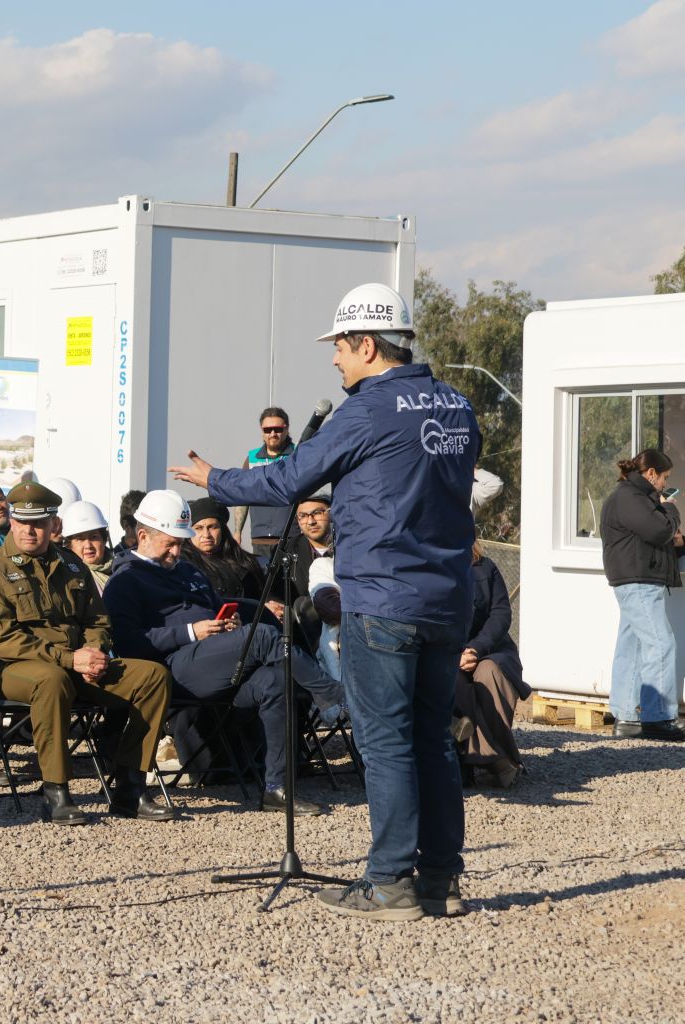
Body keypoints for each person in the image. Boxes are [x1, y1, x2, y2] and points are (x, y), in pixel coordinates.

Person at [171, 281, 481, 921]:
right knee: (432, 741)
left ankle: (390, 881)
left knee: (387, 742)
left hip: (385, 597)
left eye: (339, 346)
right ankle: (440, 881)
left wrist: (215, 480)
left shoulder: (367, 411)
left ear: (367, 343)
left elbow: (288, 478)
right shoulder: (456, 406)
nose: (335, 359)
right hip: (446, 599)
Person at [103, 490, 346, 816]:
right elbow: (129, 642)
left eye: (179, 542)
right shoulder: (125, 580)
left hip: (215, 659)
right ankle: (335, 695)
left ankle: (277, 788)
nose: (177, 551)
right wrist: (192, 631)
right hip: (173, 669)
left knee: (275, 681)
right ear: (143, 535)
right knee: (261, 635)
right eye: (170, 543)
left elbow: (215, 608)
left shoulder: (187, 571)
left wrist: (227, 620)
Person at [0, 482, 175, 826]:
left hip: (75, 664)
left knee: (152, 676)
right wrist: (70, 659)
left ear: (53, 525)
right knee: (52, 679)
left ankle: (130, 786)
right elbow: (3, 640)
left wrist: (93, 651)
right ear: (12, 523)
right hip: (9, 669)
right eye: (22, 522)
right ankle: (56, 792)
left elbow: (97, 619)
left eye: (39, 523)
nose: (30, 530)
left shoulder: (71, 565)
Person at [601, 449, 684, 742]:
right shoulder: (630, 498)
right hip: (638, 580)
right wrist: (671, 510)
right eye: (664, 478)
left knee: (633, 646)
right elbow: (660, 531)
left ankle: (626, 717)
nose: (664, 484)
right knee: (661, 645)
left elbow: (650, 537)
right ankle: (658, 717)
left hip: (635, 578)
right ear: (651, 474)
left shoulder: (631, 497)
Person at [454, 542, 528, 785]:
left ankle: (488, 760)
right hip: (448, 653)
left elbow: (501, 614)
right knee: (456, 684)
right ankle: (500, 761)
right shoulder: (432, 568)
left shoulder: (486, 567)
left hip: (491, 649)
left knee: (490, 673)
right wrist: (456, 654)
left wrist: (476, 649)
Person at [281, 491, 338, 674]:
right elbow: (276, 592)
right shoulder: (285, 552)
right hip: (305, 635)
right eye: (303, 516)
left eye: (318, 513)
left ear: (331, 513)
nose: (311, 521)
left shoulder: (350, 544)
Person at [230, 407, 295, 555]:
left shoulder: (298, 454)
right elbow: (242, 497)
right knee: (263, 579)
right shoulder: (252, 459)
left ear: (286, 429)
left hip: (293, 537)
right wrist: (237, 532)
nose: (273, 434)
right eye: (267, 430)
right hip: (260, 540)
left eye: (277, 429)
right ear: (262, 431)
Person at [181, 498, 267, 605]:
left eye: (212, 527)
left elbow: (263, 595)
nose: (206, 534)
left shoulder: (246, 561)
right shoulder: (183, 565)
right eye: (198, 528)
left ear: (222, 529)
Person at [58, 500, 114, 594]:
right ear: (68, 545)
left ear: (104, 540)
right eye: (80, 539)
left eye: (94, 537)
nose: (88, 545)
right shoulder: (66, 579)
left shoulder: (122, 571)